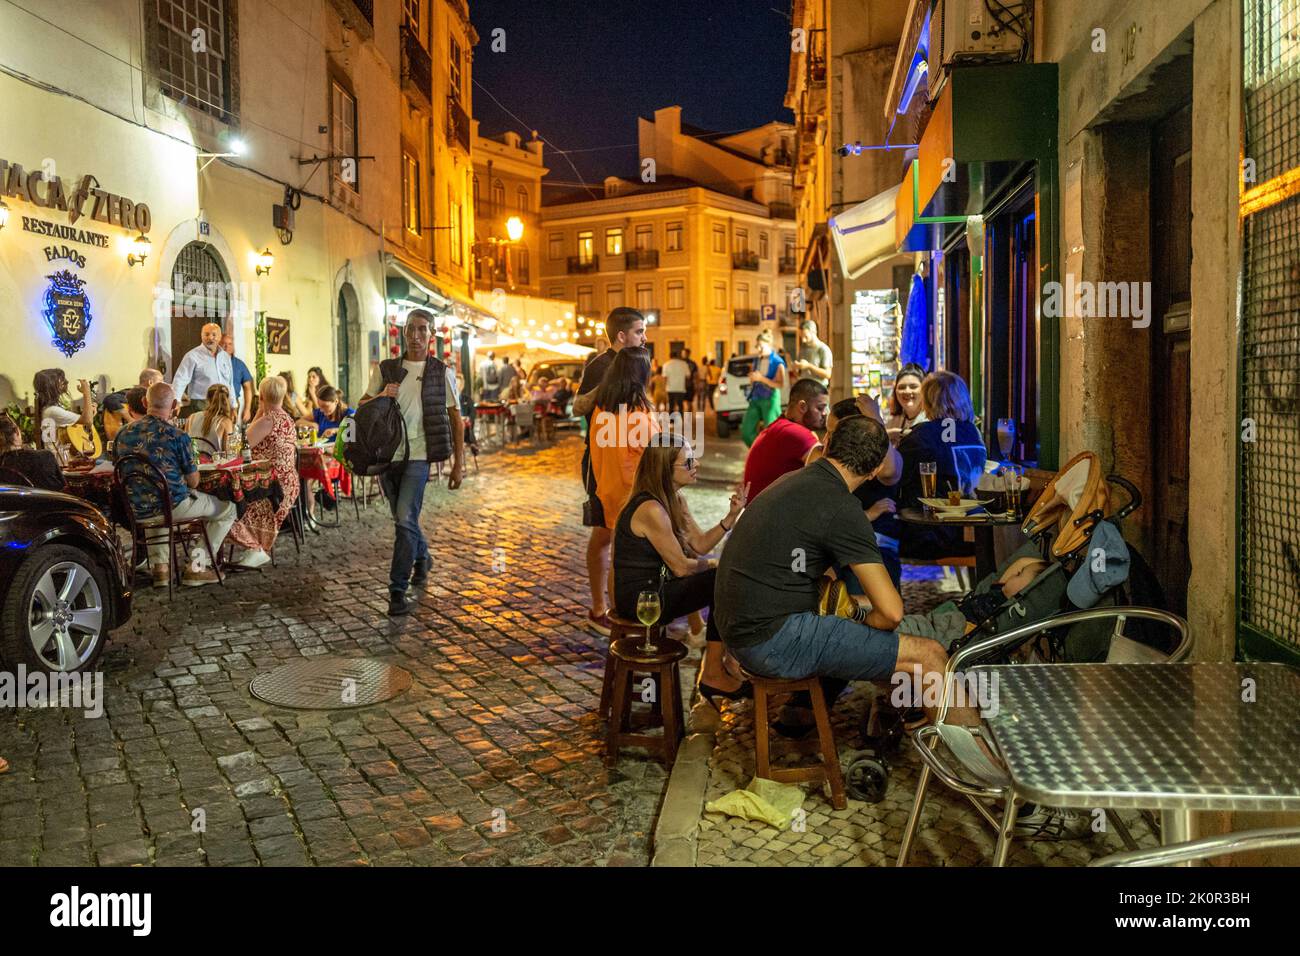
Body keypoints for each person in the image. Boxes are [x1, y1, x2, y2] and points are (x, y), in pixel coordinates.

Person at [715, 415, 951, 727]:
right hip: (770, 641)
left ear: (827, 445)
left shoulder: (791, 480)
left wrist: (861, 618)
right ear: (877, 469)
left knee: (862, 612)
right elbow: (892, 613)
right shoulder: (842, 507)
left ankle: (897, 709)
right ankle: (980, 768)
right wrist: (869, 623)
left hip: (739, 630)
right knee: (929, 655)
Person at [613, 432, 748, 704]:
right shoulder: (651, 508)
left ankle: (725, 663)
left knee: (723, 578)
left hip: (659, 588)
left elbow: (698, 544)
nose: (695, 465)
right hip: (642, 599)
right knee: (722, 580)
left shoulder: (675, 501)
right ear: (665, 469)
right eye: (687, 463)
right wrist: (718, 564)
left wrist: (730, 518)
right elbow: (681, 568)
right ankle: (715, 672)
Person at [358, 309, 465, 617]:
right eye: (410, 330)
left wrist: (458, 464)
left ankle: (396, 589)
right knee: (403, 519)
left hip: (419, 456)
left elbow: (456, 419)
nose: (415, 336)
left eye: (422, 330)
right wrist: (381, 394)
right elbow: (362, 406)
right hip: (387, 457)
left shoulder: (440, 372)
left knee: (405, 518)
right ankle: (423, 557)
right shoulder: (387, 368)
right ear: (402, 333)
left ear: (432, 335)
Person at [571, 307, 648, 635]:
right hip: (602, 461)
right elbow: (578, 406)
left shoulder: (637, 361)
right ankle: (600, 608)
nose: (645, 337)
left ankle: (624, 607)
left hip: (629, 459)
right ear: (621, 335)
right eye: (639, 332)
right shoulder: (600, 364)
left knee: (623, 533)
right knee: (605, 532)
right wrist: (606, 389)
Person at [114, 382, 236, 588]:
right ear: (174, 406)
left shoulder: (122, 434)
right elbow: (194, 481)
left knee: (157, 499)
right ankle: (198, 567)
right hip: (173, 507)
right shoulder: (177, 436)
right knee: (229, 509)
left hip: (136, 509)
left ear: (145, 402)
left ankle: (160, 570)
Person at [874, 370, 984, 563]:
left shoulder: (922, 435)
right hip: (973, 534)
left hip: (928, 535)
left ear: (929, 401)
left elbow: (892, 478)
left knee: (873, 526)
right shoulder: (973, 433)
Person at [809, 397, 905, 590]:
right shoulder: (820, 454)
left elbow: (890, 471)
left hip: (873, 542)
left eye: (834, 433)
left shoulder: (883, 458)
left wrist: (875, 418)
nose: (826, 439)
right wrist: (866, 515)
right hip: (831, 541)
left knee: (859, 586)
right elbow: (813, 508)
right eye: (827, 431)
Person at [227, 375, 300, 569]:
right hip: (289, 483)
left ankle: (256, 548)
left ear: (262, 397)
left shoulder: (267, 421)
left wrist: (259, 412)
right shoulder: (288, 419)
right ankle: (256, 549)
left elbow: (240, 449)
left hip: (270, 486)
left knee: (229, 505)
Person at [589, 346, 659, 545]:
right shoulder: (636, 412)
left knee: (618, 555)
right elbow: (656, 451)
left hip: (610, 490)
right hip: (635, 495)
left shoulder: (602, 407)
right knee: (633, 558)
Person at [741, 377, 829, 500]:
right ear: (802, 406)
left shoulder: (780, 425)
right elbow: (830, 475)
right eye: (820, 408)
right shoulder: (797, 434)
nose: (825, 413)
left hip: (759, 511)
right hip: (771, 515)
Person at [171, 323, 234, 417]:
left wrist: (233, 405)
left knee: (222, 430)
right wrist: (176, 401)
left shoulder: (225, 356)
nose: (210, 338)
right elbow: (180, 379)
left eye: (214, 334)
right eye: (206, 334)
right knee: (203, 430)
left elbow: (230, 382)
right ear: (201, 336)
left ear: (220, 337)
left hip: (224, 402)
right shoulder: (192, 356)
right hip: (201, 404)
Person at [741, 329, 788, 447]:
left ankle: (771, 457)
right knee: (746, 431)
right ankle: (758, 450)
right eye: (757, 346)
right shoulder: (757, 360)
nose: (758, 349)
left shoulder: (778, 362)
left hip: (770, 399)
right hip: (755, 398)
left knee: (772, 432)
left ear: (769, 345)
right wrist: (753, 378)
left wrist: (761, 379)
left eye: (761, 346)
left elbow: (780, 384)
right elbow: (755, 376)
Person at [34, 368, 95, 451]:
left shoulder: (49, 410)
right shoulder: (52, 411)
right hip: (60, 461)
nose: (66, 381)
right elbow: (87, 420)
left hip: (61, 458)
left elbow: (84, 421)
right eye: (61, 379)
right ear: (51, 385)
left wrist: (91, 413)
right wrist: (87, 392)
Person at [0, 414, 63, 490]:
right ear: (17, 432)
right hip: (51, 501)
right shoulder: (45, 457)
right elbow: (63, 488)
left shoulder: (3, 465)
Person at [186, 383, 235, 456]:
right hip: (214, 466)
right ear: (227, 399)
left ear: (207, 399)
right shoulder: (225, 422)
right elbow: (229, 454)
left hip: (193, 464)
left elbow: (185, 446)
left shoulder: (192, 417)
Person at [886, 363, 928, 444]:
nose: (907, 391)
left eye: (913, 386)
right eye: (901, 387)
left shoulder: (932, 420)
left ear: (924, 389)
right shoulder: (893, 422)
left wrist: (897, 433)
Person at [221, 334, 254, 423]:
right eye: (224, 343)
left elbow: (247, 388)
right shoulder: (213, 363)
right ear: (219, 345)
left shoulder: (240, 365)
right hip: (214, 403)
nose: (227, 346)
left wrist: (247, 409)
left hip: (232, 404)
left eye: (230, 344)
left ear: (233, 346)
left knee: (230, 431)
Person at [794, 318, 833, 386]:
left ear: (813, 332)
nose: (803, 340)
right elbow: (800, 373)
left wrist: (809, 366)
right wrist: (795, 367)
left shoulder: (823, 349)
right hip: (804, 387)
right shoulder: (803, 348)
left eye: (805, 336)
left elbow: (827, 374)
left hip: (818, 389)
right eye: (801, 337)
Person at [663, 350, 689, 417]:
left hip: (670, 388)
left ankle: (671, 420)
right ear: (677, 356)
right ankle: (680, 419)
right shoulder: (684, 364)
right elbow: (688, 376)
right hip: (681, 387)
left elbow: (665, 378)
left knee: (671, 405)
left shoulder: (666, 365)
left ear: (670, 356)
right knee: (680, 404)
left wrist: (664, 388)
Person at [682, 348, 699, 412]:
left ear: (688, 354)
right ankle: (687, 418)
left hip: (687, 385)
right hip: (685, 385)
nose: (683, 355)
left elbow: (695, 375)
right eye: (682, 353)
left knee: (688, 402)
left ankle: (687, 417)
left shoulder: (691, 363)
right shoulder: (693, 363)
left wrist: (696, 384)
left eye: (684, 353)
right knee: (687, 402)